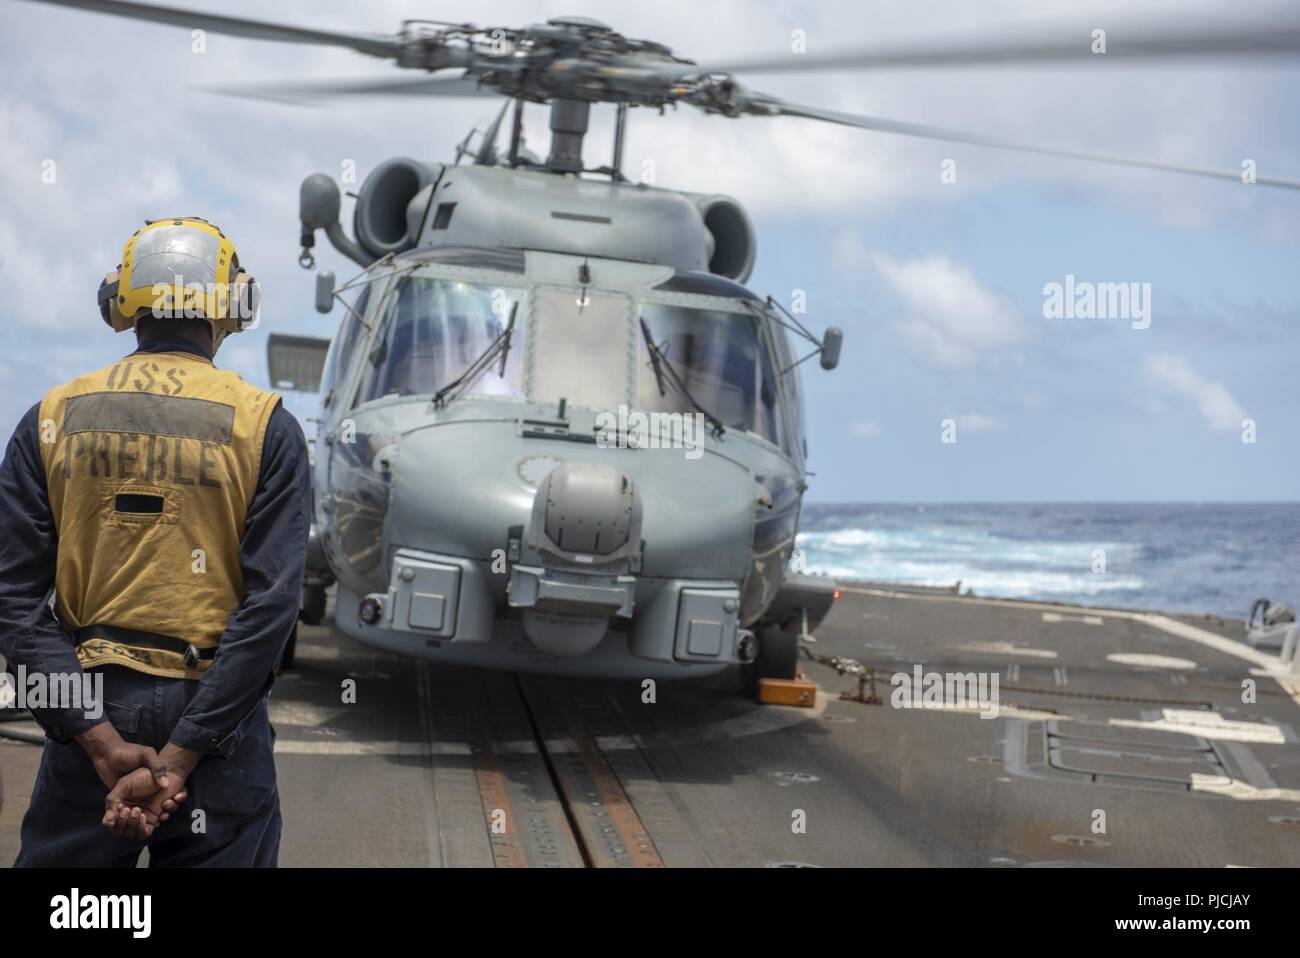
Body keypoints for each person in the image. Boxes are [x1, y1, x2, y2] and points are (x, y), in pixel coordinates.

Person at [0, 217, 310, 866]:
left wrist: (100, 742)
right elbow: (270, 611)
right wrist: (182, 753)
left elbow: (17, 605)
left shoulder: (50, 418)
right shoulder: (265, 428)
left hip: (85, 697)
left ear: (120, 302)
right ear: (232, 306)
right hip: (212, 706)